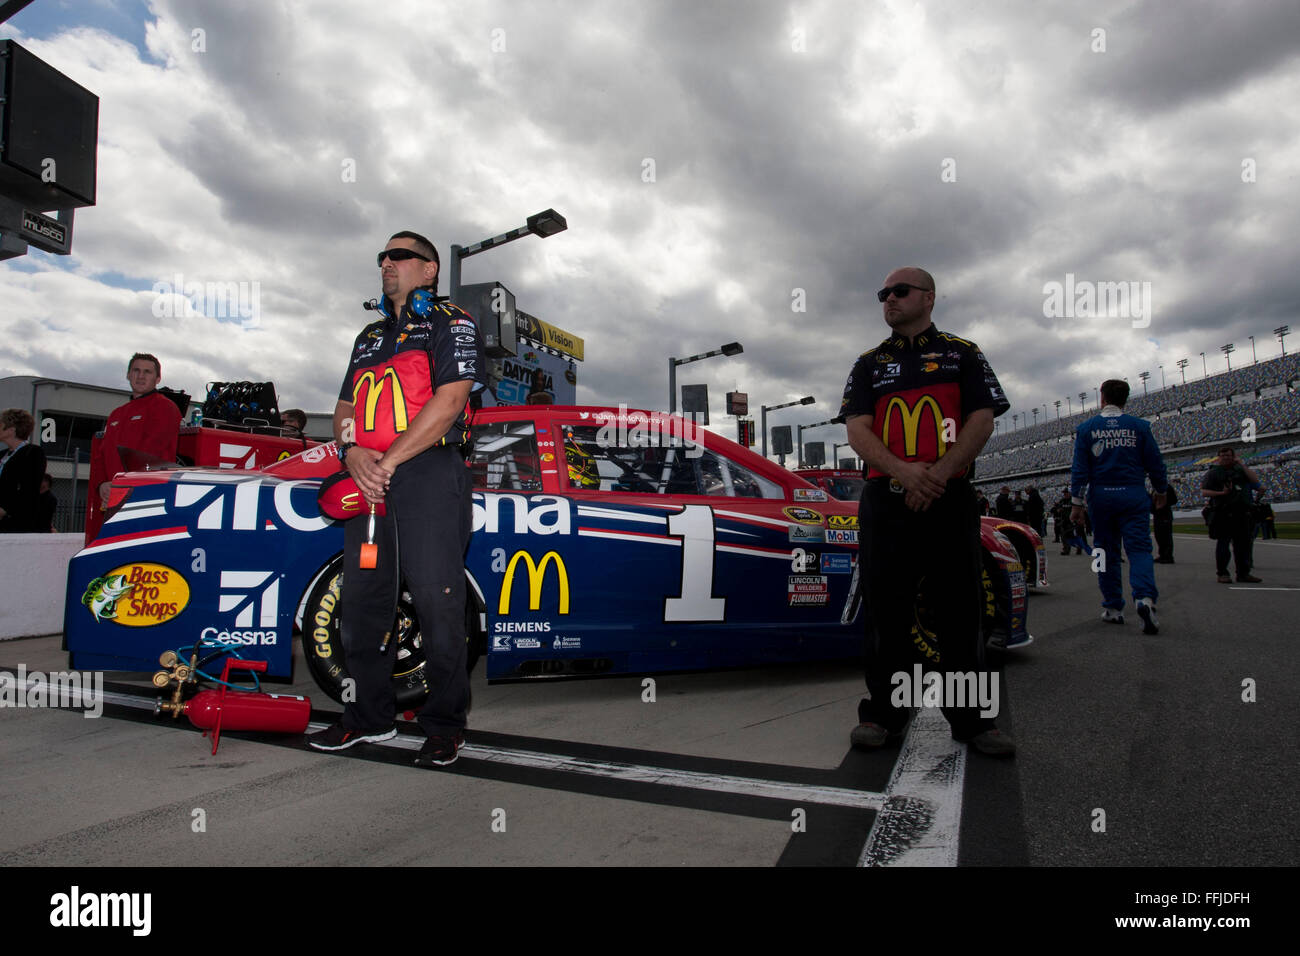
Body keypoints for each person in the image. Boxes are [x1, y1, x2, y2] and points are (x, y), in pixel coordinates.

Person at [307, 230, 487, 768]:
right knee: (363, 604)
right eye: (382, 257)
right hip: (369, 481)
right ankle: (368, 717)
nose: (387, 263)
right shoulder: (367, 335)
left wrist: (386, 460)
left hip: (428, 472)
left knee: (438, 601)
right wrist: (353, 451)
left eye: (400, 255)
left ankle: (445, 726)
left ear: (429, 269)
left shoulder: (450, 321)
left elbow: (451, 401)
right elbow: (343, 407)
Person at [840, 266, 1014, 757]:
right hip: (886, 501)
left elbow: (982, 419)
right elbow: (857, 430)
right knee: (887, 611)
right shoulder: (869, 363)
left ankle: (974, 722)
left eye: (899, 291)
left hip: (949, 497)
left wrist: (936, 474)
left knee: (960, 610)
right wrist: (906, 473)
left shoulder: (964, 353)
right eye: (883, 294)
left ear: (929, 297)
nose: (888, 300)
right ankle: (884, 714)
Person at [1070, 379, 1168, 634]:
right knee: (1139, 550)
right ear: (1126, 399)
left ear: (1101, 397)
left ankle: (1113, 608)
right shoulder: (1140, 427)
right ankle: (1144, 598)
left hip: (1101, 496)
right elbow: (1156, 464)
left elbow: (1080, 471)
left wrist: (1076, 504)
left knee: (1104, 553)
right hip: (1133, 493)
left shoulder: (1086, 428)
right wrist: (1160, 490)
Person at [86, 354, 182, 542]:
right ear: (128, 375)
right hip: (113, 499)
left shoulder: (165, 408)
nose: (141, 376)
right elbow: (101, 456)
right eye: (136, 371)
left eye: (147, 372)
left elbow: (150, 454)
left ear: (158, 379)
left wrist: (119, 485)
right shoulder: (116, 414)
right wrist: (102, 485)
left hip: (144, 501)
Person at [1201, 447, 1261, 584]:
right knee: (1223, 544)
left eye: (1228, 455)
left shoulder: (1240, 470)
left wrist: (1241, 464)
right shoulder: (1214, 472)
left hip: (1242, 512)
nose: (1225, 458)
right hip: (1223, 512)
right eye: (1222, 456)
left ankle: (1243, 573)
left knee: (1243, 546)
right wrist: (1221, 493)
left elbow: (1255, 481)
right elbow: (1204, 492)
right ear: (1218, 458)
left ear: (1233, 456)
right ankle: (1222, 573)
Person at [0, 408, 48, 533]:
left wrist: (5, 510)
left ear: (11, 430)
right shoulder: (2, 455)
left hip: (16, 523)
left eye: (1, 424)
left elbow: (29, 488)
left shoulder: (33, 453)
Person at [1152, 482, 1178, 563]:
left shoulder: (1167, 487)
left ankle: (1168, 556)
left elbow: (1174, 500)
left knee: (1166, 536)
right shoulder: (1155, 488)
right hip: (1157, 514)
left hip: (1165, 514)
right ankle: (1162, 554)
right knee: (1158, 535)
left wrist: (1165, 503)